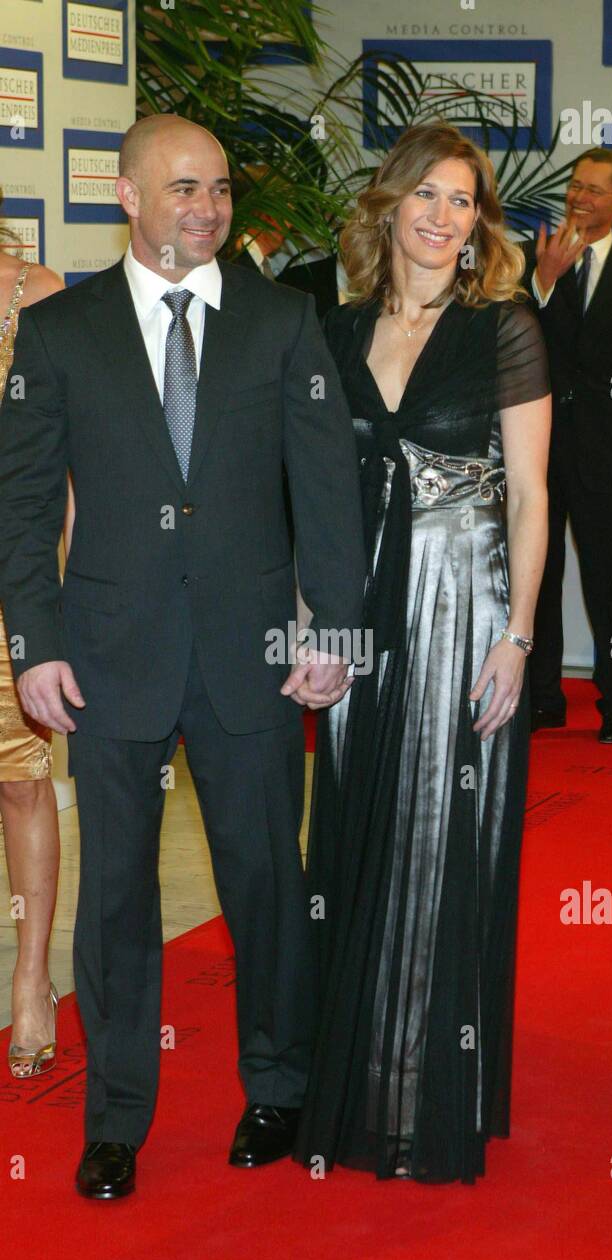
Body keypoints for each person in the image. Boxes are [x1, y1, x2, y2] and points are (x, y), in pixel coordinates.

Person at [0, 114, 366, 1199]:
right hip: (108, 656)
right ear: (126, 197)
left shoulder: (285, 323)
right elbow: (21, 504)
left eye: (218, 190)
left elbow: (327, 496)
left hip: (254, 653)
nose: (206, 208)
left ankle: (279, 1085)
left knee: (265, 879)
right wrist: (36, 643)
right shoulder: (60, 332)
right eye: (182, 189)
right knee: (114, 897)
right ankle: (114, 1117)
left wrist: (333, 629)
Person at [293, 120, 551, 1184]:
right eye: (429, 197)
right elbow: (311, 492)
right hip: (364, 608)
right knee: (360, 828)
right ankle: (353, 1084)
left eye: (465, 202)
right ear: (390, 203)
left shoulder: (501, 325)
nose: (446, 218)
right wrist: (314, 617)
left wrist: (519, 638)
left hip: (464, 602)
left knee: (444, 836)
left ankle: (427, 1095)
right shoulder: (335, 325)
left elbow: (534, 498)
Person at [523, 148, 612, 741]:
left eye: (595, 190)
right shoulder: (526, 261)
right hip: (530, 449)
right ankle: (543, 695)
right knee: (537, 573)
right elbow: (501, 343)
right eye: (575, 186)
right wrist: (543, 284)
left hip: (601, 452)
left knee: (609, 577)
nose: (579, 198)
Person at [0, 211, 64, 1079]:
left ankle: (31, 975)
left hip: (9, 579)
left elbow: (75, 464)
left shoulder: (39, 297)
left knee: (19, 780)